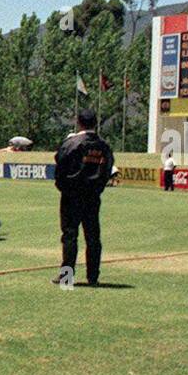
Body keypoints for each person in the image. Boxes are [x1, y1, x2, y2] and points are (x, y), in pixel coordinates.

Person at [52, 108, 114, 286]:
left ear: (79, 122)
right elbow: (108, 169)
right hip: (92, 196)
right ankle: (93, 277)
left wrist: (63, 187)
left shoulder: (71, 143)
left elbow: (60, 166)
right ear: (95, 123)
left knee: (70, 236)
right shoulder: (104, 146)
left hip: (72, 195)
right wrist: (98, 188)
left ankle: (67, 277)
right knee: (93, 236)